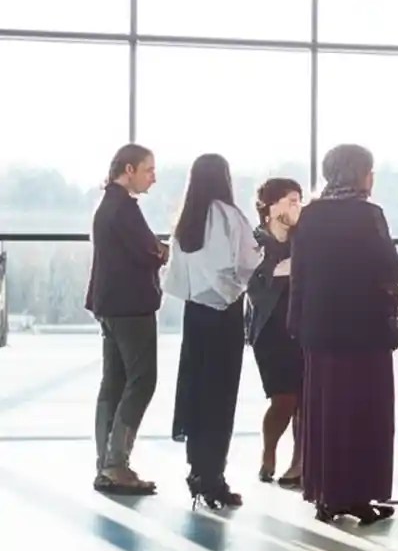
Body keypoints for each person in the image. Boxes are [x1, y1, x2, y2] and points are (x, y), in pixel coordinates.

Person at [289, 144, 398, 525]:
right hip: (364, 330)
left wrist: (297, 324)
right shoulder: (369, 216)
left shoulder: (310, 216)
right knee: (364, 412)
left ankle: (326, 493)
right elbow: (390, 267)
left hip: (319, 330)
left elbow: (299, 275)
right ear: (360, 174)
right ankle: (358, 494)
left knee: (326, 411)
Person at [165, 153, 261, 509]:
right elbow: (244, 266)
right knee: (221, 395)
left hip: (195, 313)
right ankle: (213, 478)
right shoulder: (228, 215)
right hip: (224, 314)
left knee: (196, 390)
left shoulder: (187, 219)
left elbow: (178, 274)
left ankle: (196, 470)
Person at [87, 144, 167, 495]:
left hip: (109, 305)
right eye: (149, 169)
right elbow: (149, 251)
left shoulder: (107, 205)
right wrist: (163, 251)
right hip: (130, 306)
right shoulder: (124, 208)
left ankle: (106, 462)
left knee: (114, 382)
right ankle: (116, 463)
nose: (154, 177)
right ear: (129, 169)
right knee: (142, 381)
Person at [247, 178, 305, 488]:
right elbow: (259, 278)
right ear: (271, 207)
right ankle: (269, 452)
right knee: (283, 399)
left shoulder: (304, 238)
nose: (297, 206)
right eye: (291, 200)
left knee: (306, 399)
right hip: (270, 330)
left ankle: (299, 463)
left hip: (303, 327)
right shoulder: (255, 240)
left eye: (298, 200)